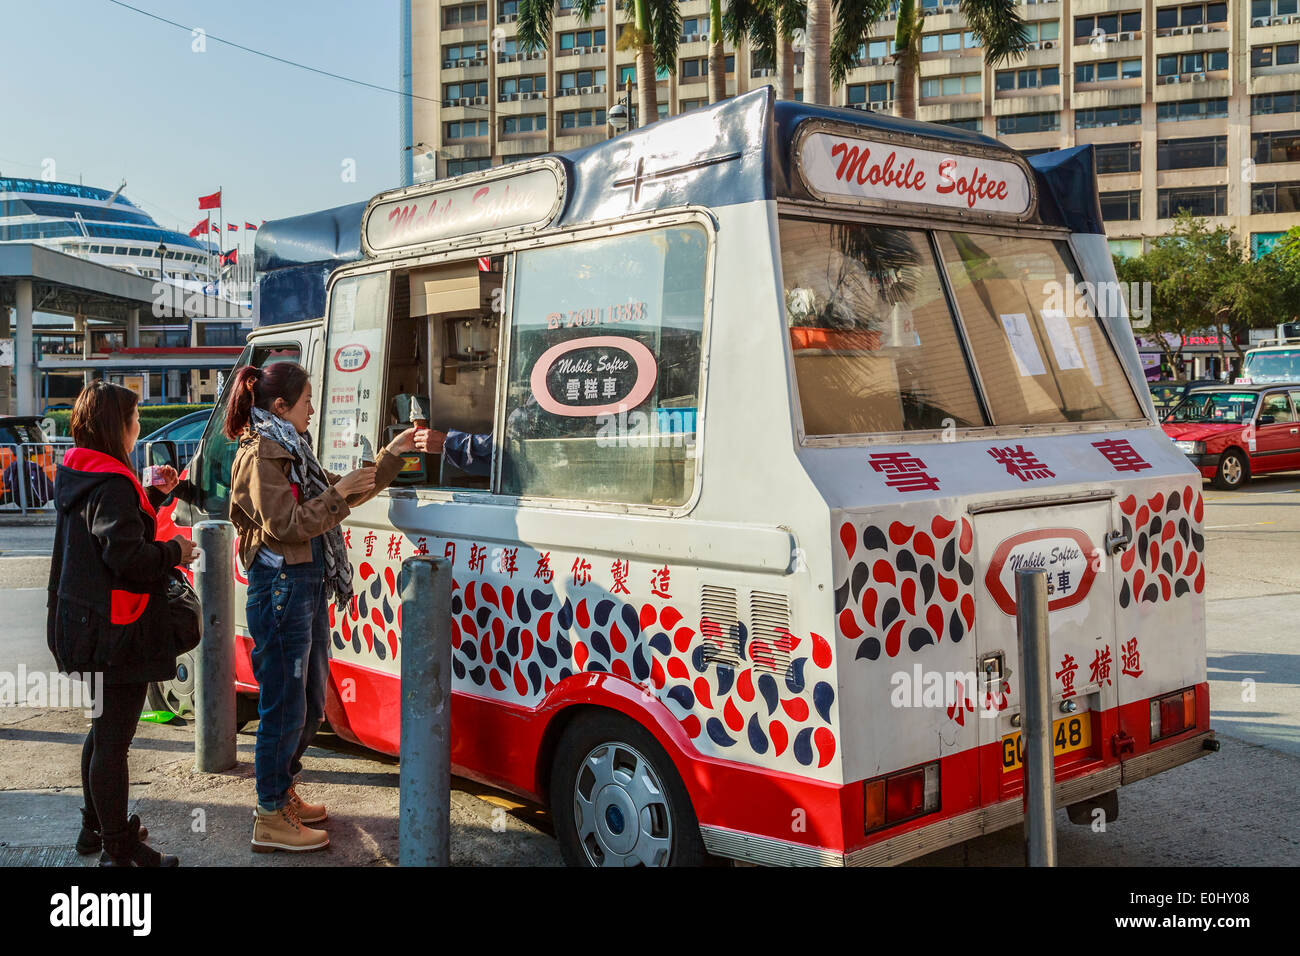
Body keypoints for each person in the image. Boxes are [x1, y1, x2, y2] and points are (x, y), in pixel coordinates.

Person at [224, 362, 422, 853]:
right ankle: (269, 814)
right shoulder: (262, 454)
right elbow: (288, 525)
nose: (314, 407)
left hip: (303, 583)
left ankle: (282, 791)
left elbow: (341, 492)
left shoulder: (293, 448)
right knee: (285, 703)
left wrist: (390, 458)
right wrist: (339, 492)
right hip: (281, 586)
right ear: (280, 406)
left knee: (310, 701)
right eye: (307, 399)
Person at [48, 381, 197, 867]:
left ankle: (94, 830)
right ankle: (120, 848)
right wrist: (176, 551)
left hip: (84, 623)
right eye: (134, 419)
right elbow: (128, 557)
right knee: (113, 743)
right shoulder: (111, 484)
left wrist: (152, 497)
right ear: (119, 426)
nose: (138, 427)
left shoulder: (82, 472)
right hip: (116, 633)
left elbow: (109, 538)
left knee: (102, 732)